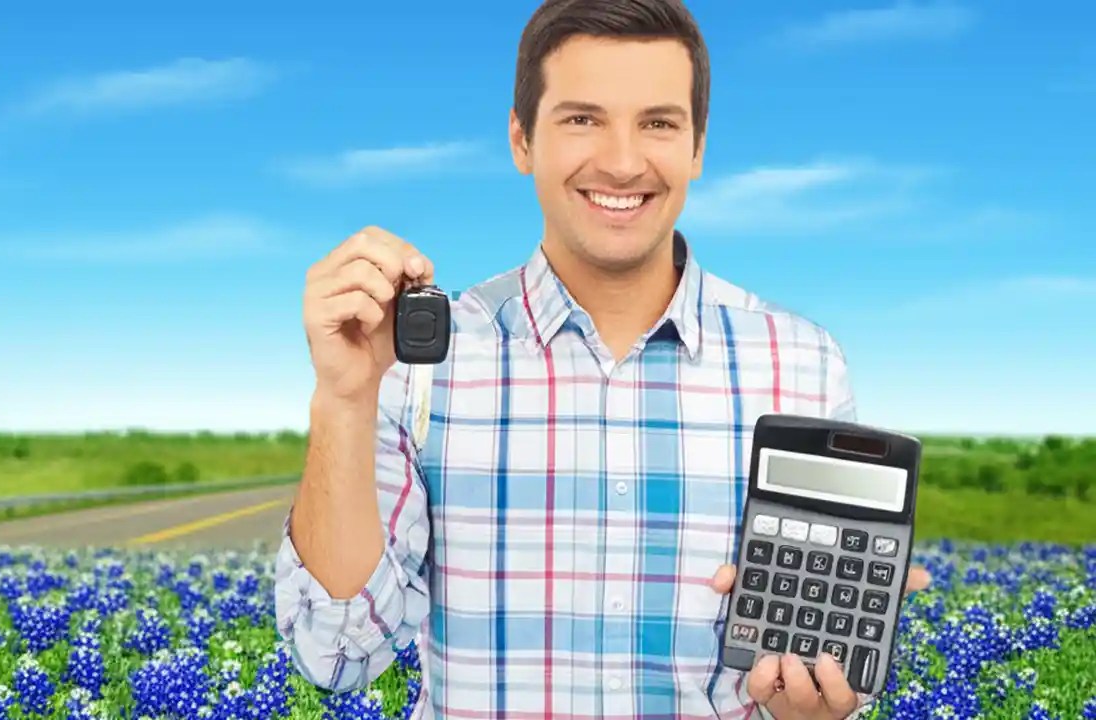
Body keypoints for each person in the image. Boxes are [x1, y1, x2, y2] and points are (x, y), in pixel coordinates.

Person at [274, 0, 932, 717]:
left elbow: (823, 661)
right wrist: (342, 399)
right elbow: (335, 653)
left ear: (698, 146)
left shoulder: (802, 364)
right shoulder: (422, 360)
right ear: (522, 139)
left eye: (658, 123)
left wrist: (814, 707)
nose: (621, 163)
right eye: (582, 119)